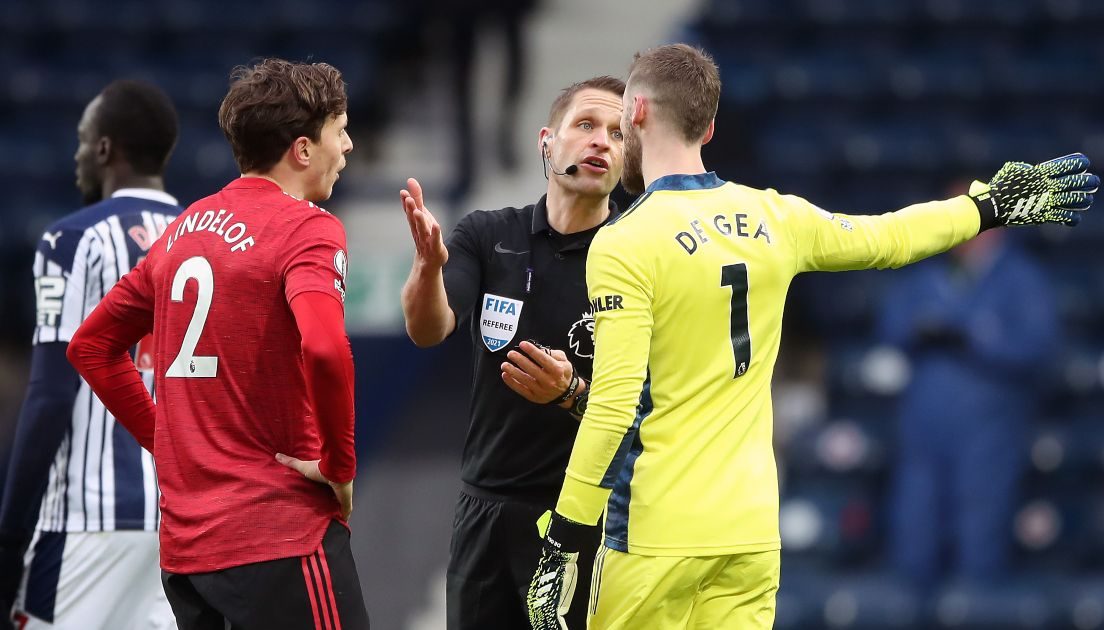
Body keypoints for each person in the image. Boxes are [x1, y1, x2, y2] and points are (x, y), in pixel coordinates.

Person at [525, 43, 1097, 630]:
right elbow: (889, 238)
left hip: (655, 529)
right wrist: (986, 209)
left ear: (635, 112)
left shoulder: (625, 242)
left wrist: (565, 537)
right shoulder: (777, 218)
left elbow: (614, 404)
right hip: (748, 530)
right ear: (710, 127)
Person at [65, 58, 370, 630]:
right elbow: (326, 350)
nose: (349, 145)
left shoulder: (181, 231)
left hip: (187, 554)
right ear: (303, 150)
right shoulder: (307, 228)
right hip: (279, 538)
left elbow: (92, 346)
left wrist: (168, 442)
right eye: (340, 130)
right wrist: (339, 466)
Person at [399, 75, 625, 629]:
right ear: (547, 141)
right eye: (586, 125)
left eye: (618, 135)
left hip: (580, 521)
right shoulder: (487, 233)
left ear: (628, 160)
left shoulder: (635, 255)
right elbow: (428, 329)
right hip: (485, 507)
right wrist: (427, 269)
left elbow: (648, 408)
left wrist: (570, 394)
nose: (600, 142)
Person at [0, 79, 181, 630]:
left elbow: (51, 394)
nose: (77, 153)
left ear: (105, 148)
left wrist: (9, 536)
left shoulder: (71, 240)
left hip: (86, 517)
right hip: (183, 522)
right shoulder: (202, 239)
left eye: (83, 139)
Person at [879, 227, 1058, 590]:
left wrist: (974, 336)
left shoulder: (1022, 277)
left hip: (989, 421)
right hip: (925, 422)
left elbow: (1039, 346)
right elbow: (891, 326)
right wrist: (925, 330)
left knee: (980, 526)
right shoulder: (927, 274)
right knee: (916, 524)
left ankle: (977, 611)